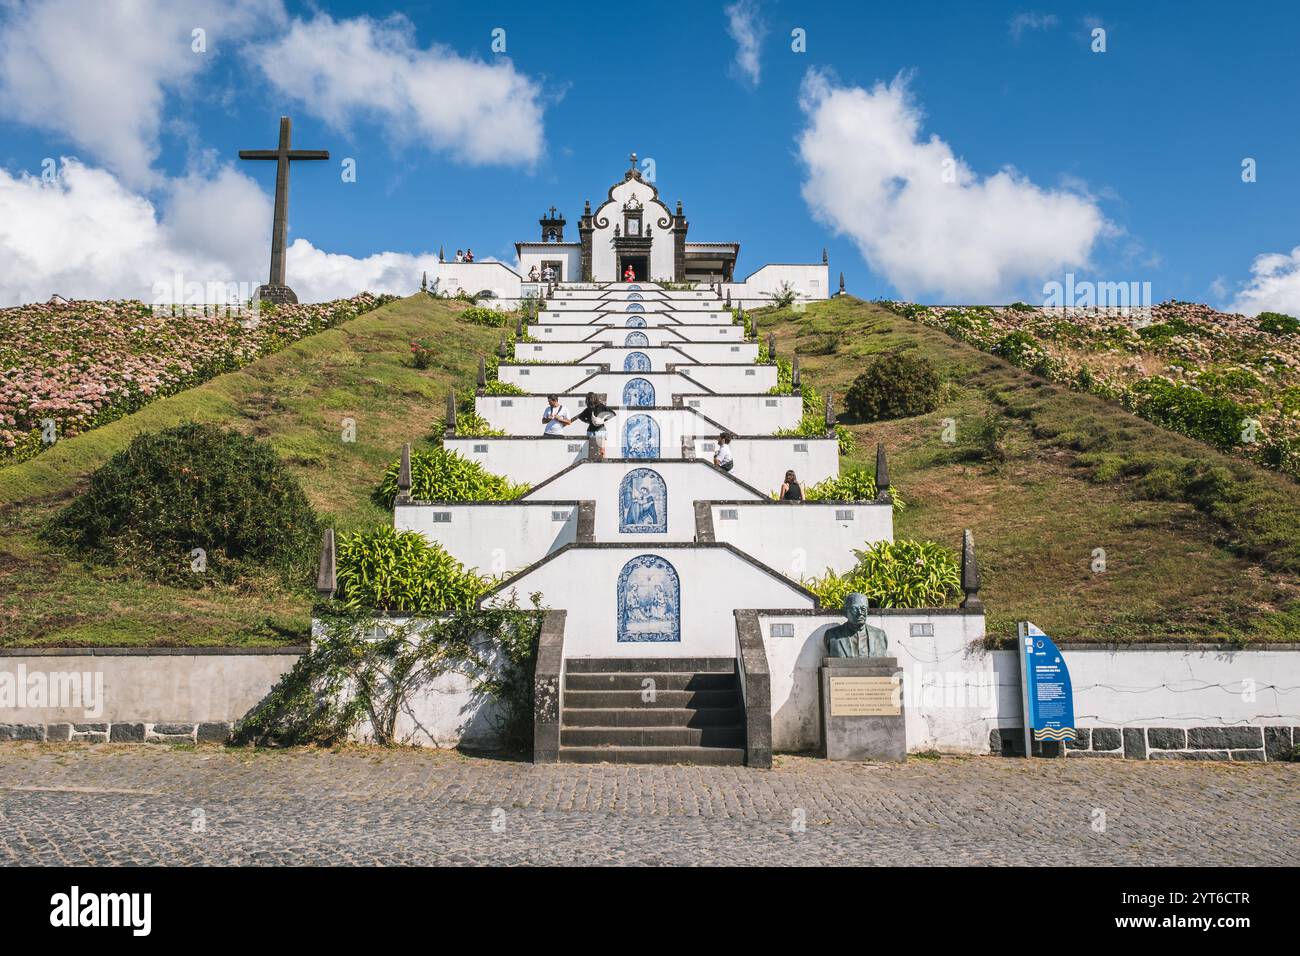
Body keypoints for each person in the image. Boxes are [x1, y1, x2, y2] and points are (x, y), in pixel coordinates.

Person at [575, 391, 616, 458]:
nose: (589, 400)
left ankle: (602, 463)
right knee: (593, 452)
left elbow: (613, 413)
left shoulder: (600, 406)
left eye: (590, 398)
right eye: (588, 398)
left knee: (601, 451)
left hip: (599, 430)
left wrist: (603, 420)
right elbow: (580, 417)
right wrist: (588, 421)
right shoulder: (589, 408)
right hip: (594, 430)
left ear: (594, 398)